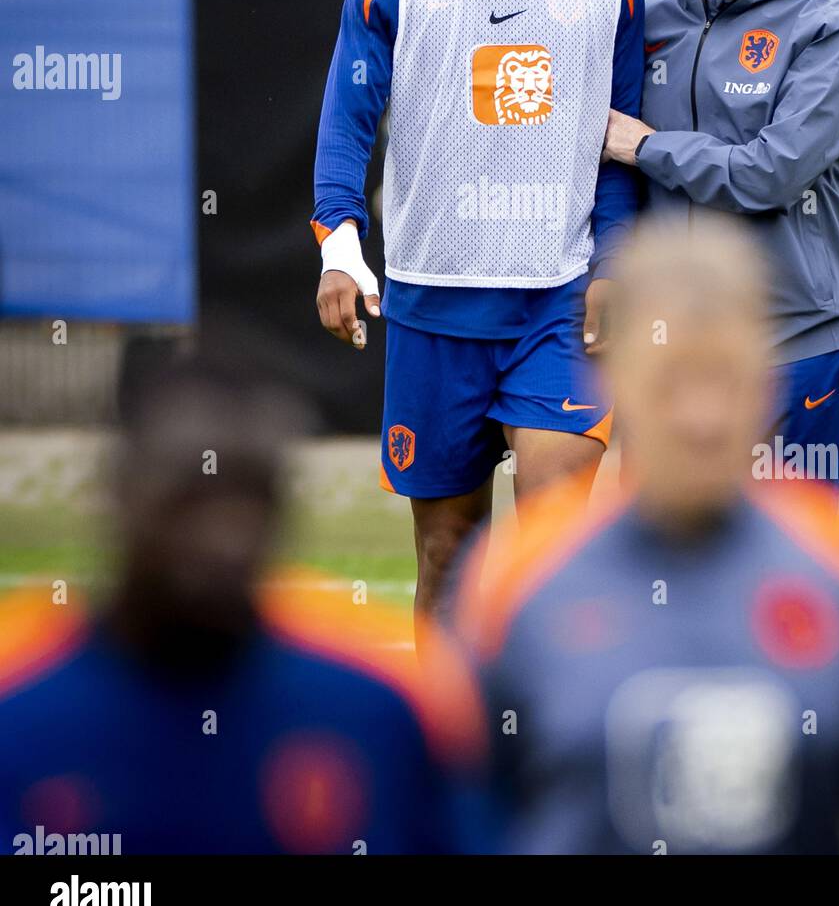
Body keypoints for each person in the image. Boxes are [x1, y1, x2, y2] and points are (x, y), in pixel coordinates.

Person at [453, 216, 839, 855]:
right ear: (612, 385)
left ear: (768, 385)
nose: (702, 418)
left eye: (726, 379)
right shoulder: (515, 580)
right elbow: (459, 826)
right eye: (672, 382)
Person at [312, 0, 644, 623]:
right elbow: (346, 123)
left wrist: (612, 264)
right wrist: (339, 250)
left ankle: (544, 749)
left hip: (557, 303)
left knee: (550, 542)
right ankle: (455, 752)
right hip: (433, 304)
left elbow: (619, 141)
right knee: (449, 553)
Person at [0, 356, 488, 854]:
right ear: (120, 494)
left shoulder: (386, 703)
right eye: (192, 500)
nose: (226, 537)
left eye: (251, 503)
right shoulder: (16, 692)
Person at [602, 0, 839, 491]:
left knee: (788, 565)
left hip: (794, 337)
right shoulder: (651, 16)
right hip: (671, 340)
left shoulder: (829, 26)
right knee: (660, 561)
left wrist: (645, 146)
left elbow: (770, 173)